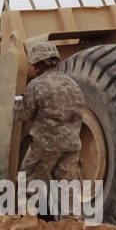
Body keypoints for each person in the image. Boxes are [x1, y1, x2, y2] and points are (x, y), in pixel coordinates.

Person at [15, 42, 85, 199]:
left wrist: (17, 99)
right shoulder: (73, 84)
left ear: (38, 63)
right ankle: (72, 223)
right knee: (69, 189)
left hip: (45, 145)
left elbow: (23, 116)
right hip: (72, 143)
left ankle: (28, 220)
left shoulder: (36, 85)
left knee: (28, 184)